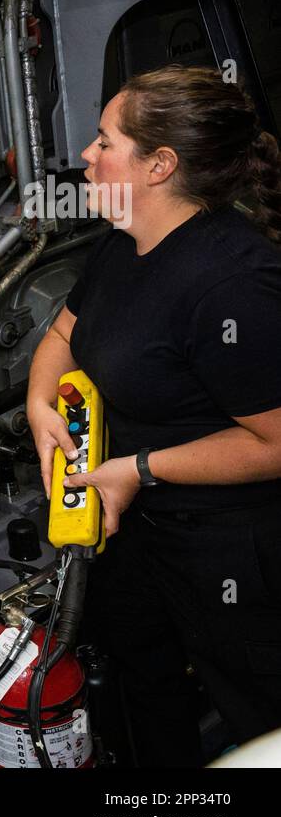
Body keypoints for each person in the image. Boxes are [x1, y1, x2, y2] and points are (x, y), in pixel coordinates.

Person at [26, 65, 281, 766]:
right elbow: (60, 334)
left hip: (227, 547)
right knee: (146, 690)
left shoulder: (234, 281)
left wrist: (139, 469)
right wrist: (39, 403)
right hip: (134, 529)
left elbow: (274, 442)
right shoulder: (122, 242)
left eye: (105, 140)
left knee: (257, 713)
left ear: (160, 164)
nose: (86, 154)